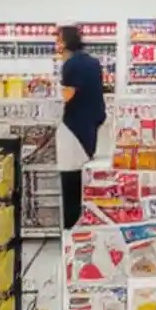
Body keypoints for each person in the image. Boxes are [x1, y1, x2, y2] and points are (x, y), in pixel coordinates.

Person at [57, 24, 107, 228]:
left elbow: (68, 95)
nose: (56, 44)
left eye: (58, 40)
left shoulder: (72, 65)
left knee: (70, 180)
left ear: (66, 42)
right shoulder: (92, 62)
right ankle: (86, 223)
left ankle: (71, 227)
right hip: (90, 125)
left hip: (73, 128)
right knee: (84, 177)